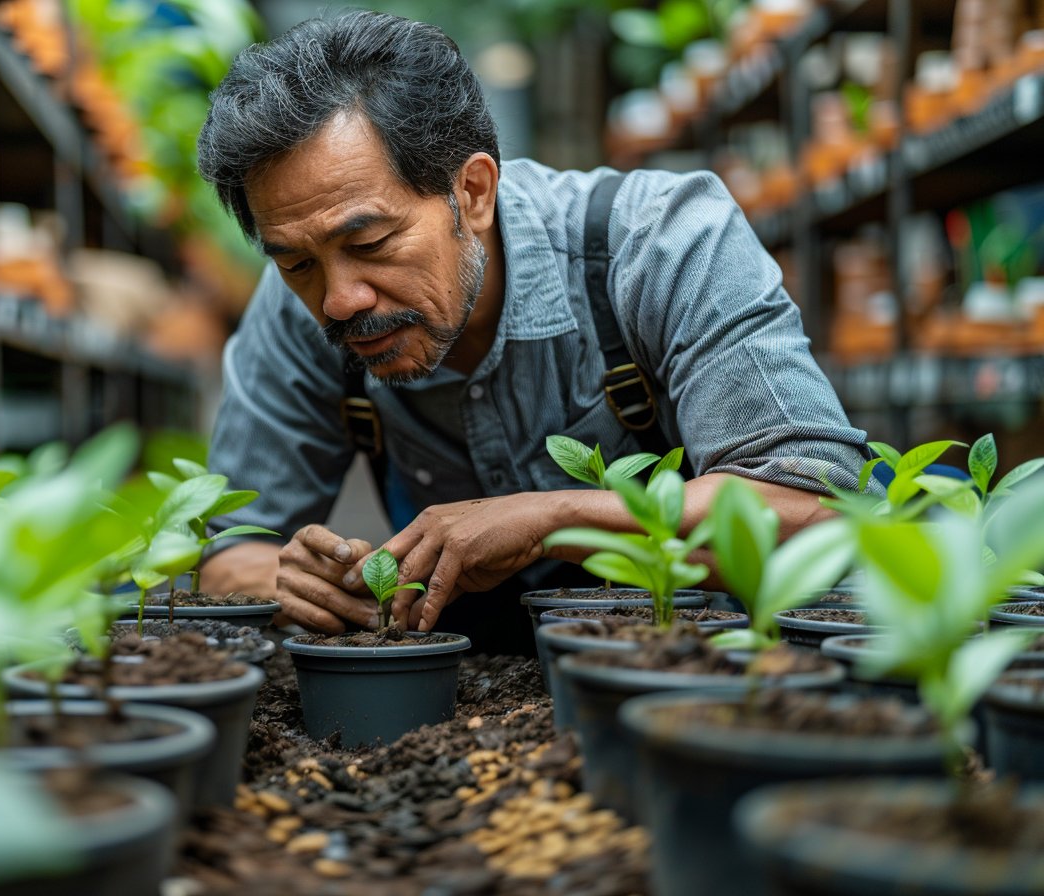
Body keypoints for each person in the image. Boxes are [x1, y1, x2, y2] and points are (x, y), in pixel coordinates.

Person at [193, 10, 871, 654]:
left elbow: (817, 508)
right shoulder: (293, 314)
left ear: (475, 192)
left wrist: (551, 520)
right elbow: (228, 551)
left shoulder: (658, 241)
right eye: (298, 262)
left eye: (369, 242)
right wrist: (288, 581)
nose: (339, 300)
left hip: (705, 676)